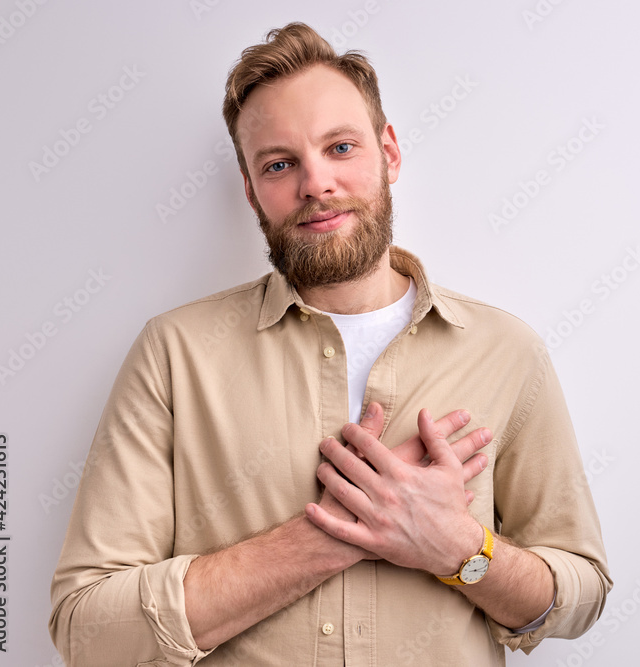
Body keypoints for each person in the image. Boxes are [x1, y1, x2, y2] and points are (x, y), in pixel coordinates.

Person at [49, 22, 610, 666]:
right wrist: (336, 537)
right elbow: (86, 629)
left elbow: (580, 594)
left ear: (389, 152)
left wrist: (459, 550)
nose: (316, 183)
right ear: (250, 187)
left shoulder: (507, 352)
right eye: (280, 163)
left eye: (340, 147)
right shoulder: (174, 355)